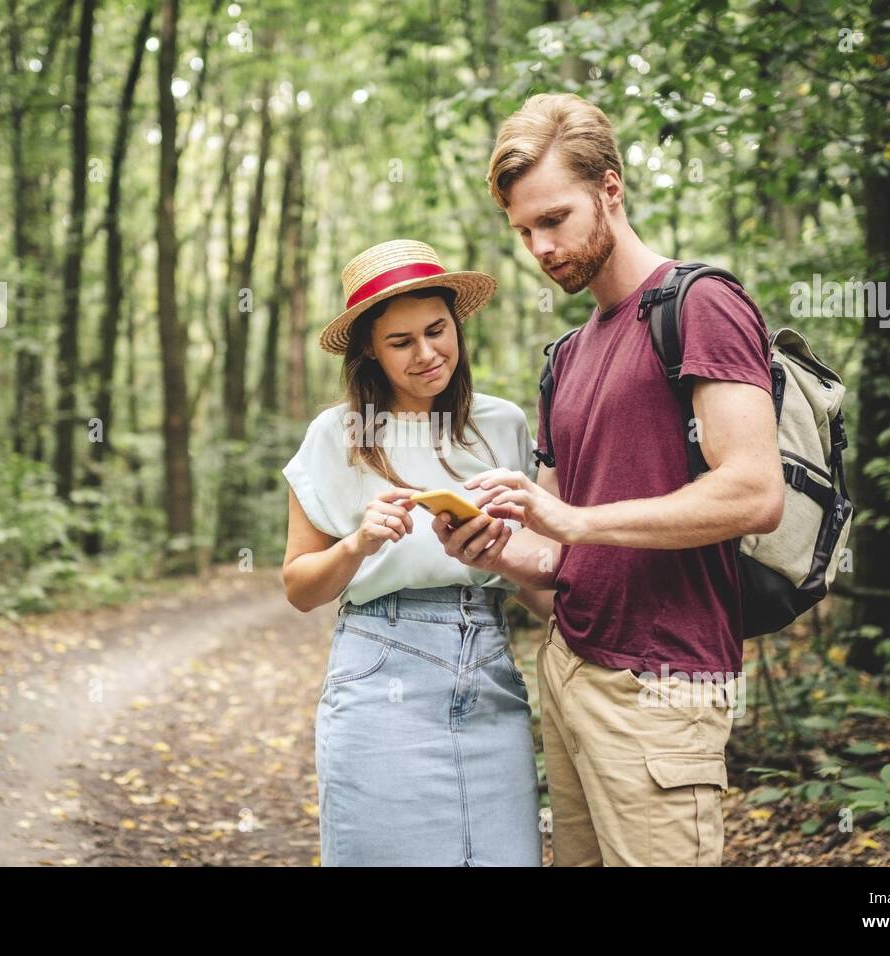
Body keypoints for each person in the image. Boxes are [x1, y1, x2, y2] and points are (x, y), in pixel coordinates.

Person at [433, 92, 785, 866]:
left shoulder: (700, 306)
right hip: (567, 668)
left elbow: (755, 492)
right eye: (524, 231)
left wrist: (577, 523)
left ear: (610, 189)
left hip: (661, 685)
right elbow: (556, 558)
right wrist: (493, 548)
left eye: (554, 219)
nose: (540, 247)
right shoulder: (565, 357)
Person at [281, 238, 545, 866]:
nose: (427, 354)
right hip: (380, 670)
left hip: (488, 669)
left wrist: (504, 557)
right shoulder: (336, 435)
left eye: (437, 330)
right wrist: (357, 544)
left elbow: (541, 580)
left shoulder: (503, 424)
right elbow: (300, 588)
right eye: (401, 342)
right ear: (370, 349)